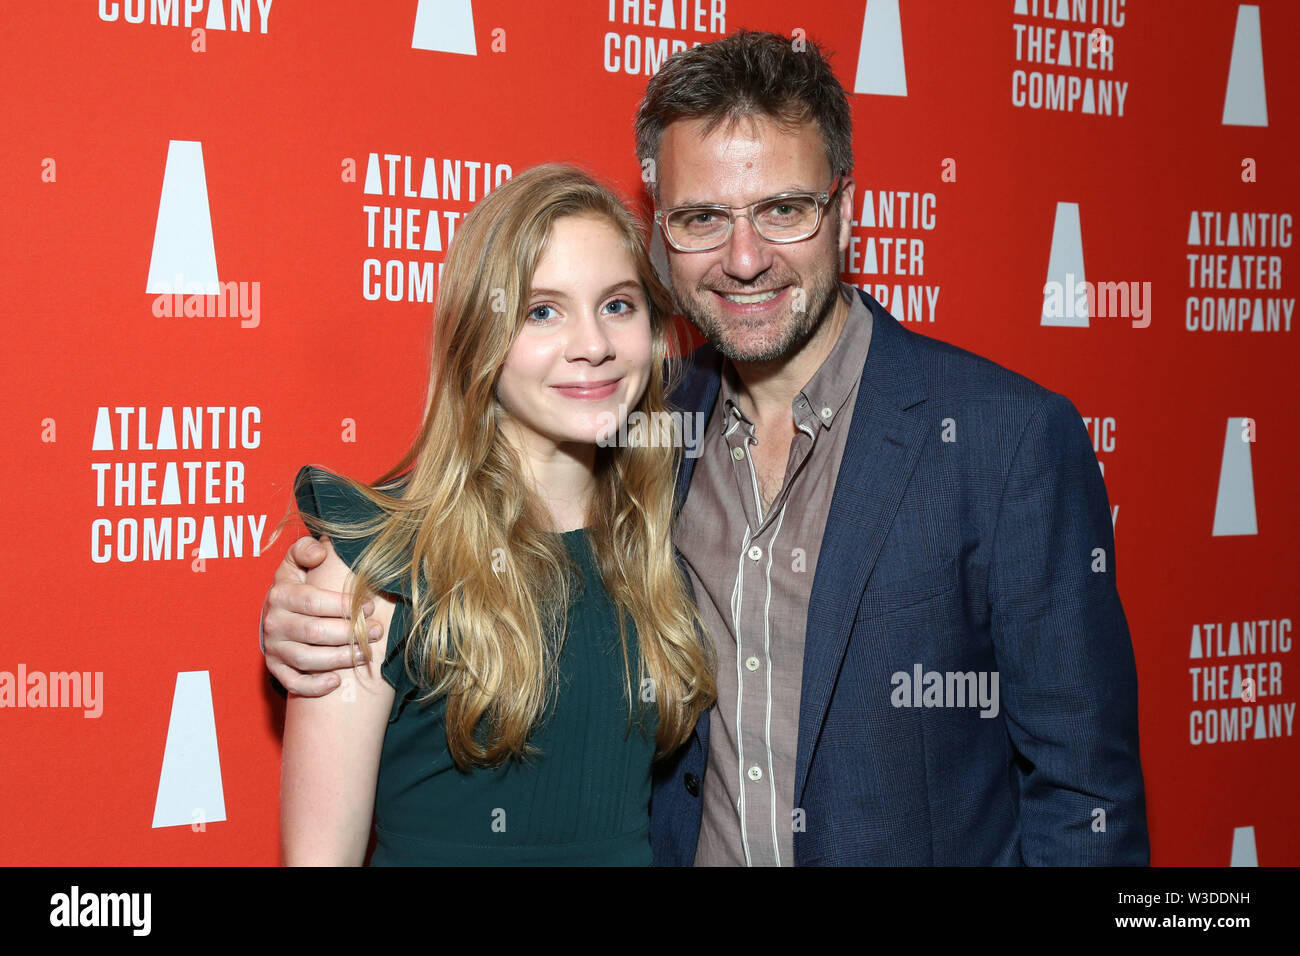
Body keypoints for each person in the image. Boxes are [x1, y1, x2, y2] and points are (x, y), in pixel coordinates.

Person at [264, 31, 1149, 866]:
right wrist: (323, 599)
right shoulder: (648, 438)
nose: (746, 256)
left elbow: (1086, 798)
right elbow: (456, 543)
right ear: (663, 234)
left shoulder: (1006, 440)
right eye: (701, 219)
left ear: (846, 207)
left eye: (784, 209)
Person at [276, 162, 715, 865]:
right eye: (542, 311)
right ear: (480, 338)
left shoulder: (662, 542)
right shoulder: (378, 566)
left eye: (618, 304)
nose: (593, 345)